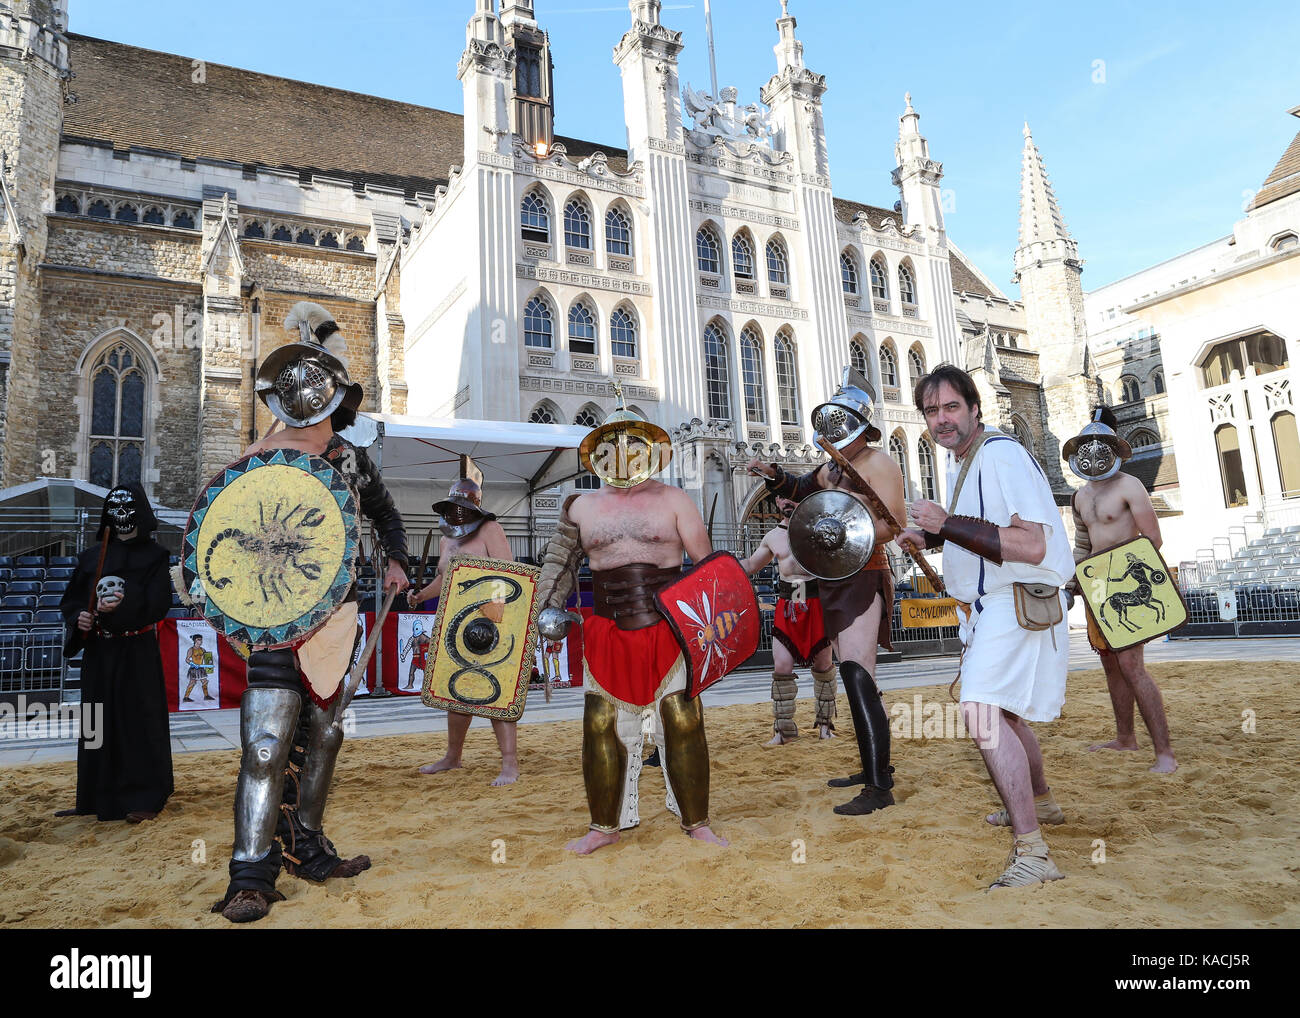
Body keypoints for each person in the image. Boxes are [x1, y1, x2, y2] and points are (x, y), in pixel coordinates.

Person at [211, 301, 410, 922]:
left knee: (323, 733)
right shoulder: (257, 459)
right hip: (273, 613)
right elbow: (225, 524)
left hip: (337, 610)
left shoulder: (351, 459)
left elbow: (385, 513)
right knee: (268, 745)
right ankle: (251, 872)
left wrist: (398, 559)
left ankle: (308, 846)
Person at [898, 363, 1072, 889]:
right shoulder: (966, 463)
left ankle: (1034, 852)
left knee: (980, 711)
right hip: (994, 602)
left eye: (951, 407)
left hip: (1014, 600)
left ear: (976, 408)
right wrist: (932, 539)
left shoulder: (999, 454)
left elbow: (1031, 544)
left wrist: (944, 524)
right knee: (1006, 714)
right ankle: (1042, 803)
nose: (941, 419)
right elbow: (986, 535)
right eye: (931, 410)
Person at [535, 390, 728, 855]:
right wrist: (548, 605)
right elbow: (559, 562)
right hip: (605, 630)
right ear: (599, 447)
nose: (622, 452)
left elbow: (707, 567)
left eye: (632, 441)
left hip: (668, 629)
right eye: (612, 442)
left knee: (681, 719)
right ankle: (605, 824)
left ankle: (696, 821)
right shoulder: (579, 506)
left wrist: (719, 621)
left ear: (650, 447)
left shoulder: (675, 499)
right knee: (601, 722)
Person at [747, 366, 905, 815]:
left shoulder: (878, 463)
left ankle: (879, 787)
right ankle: (876, 768)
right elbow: (802, 487)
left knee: (857, 675)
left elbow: (892, 523)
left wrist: (840, 528)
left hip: (862, 573)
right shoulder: (834, 465)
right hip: (831, 579)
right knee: (857, 677)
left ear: (859, 424)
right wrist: (776, 476)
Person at [1064, 407, 1177, 773]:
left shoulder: (1130, 486)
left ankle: (1165, 754)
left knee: (1132, 667)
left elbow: (1152, 539)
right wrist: (1072, 583)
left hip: (1126, 582)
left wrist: (1116, 571)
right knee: (1111, 666)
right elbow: (1083, 545)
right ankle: (1126, 738)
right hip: (1097, 591)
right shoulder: (1080, 496)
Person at [57, 484, 173, 823]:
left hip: (137, 651)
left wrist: (122, 607)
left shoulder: (155, 556)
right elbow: (73, 601)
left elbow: (158, 605)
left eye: (128, 508)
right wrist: (79, 618)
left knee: (137, 721)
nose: (121, 515)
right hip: (99, 651)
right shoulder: (92, 558)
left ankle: (144, 796)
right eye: (115, 508)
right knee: (96, 723)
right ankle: (94, 795)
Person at [408, 478, 520, 786]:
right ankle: (453, 756)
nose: (458, 513)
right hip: (454, 622)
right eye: (454, 507)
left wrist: (492, 618)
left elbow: (508, 575)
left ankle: (509, 762)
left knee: (497, 692)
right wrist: (421, 596)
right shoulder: (447, 540)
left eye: (463, 507)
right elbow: (444, 580)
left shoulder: (490, 530)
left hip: (490, 624)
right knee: (457, 692)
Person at [739, 495, 837, 744]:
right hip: (788, 605)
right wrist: (720, 564)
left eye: (793, 496)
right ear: (777, 502)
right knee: (781, 667)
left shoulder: (820, 530)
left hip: (816, 604)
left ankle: (825, 726)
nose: (787, 501)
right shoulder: (773, 536)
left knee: (823, 666)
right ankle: (784, 731)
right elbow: (751, 565)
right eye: (782, 497)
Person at [182, 634, 216, 702]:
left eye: (201, 639)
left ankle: (206, 696)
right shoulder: (191, 649)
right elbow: (187, 659)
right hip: (194, 669)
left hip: (201, 669)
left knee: (205, 681)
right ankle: (186, 697)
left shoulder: (202, 649)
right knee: (192, 682)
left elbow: (207, 658)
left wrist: (209, 665)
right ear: (195, 640)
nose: (200, 641)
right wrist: (193, 664)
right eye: (199, 639)